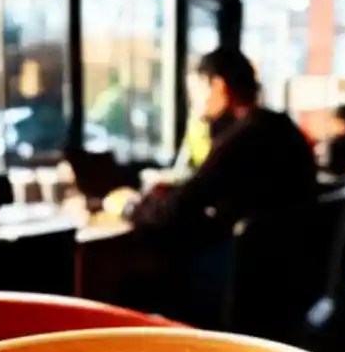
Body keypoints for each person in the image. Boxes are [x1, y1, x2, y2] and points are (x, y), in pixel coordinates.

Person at [108, 47, 317, 246]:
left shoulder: (243, 138)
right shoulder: (281, 128)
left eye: (196, 91)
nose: (194, 103)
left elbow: (177, 209)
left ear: (218, 86)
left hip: (245, 270)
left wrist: (127, 206)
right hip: (289, 265)